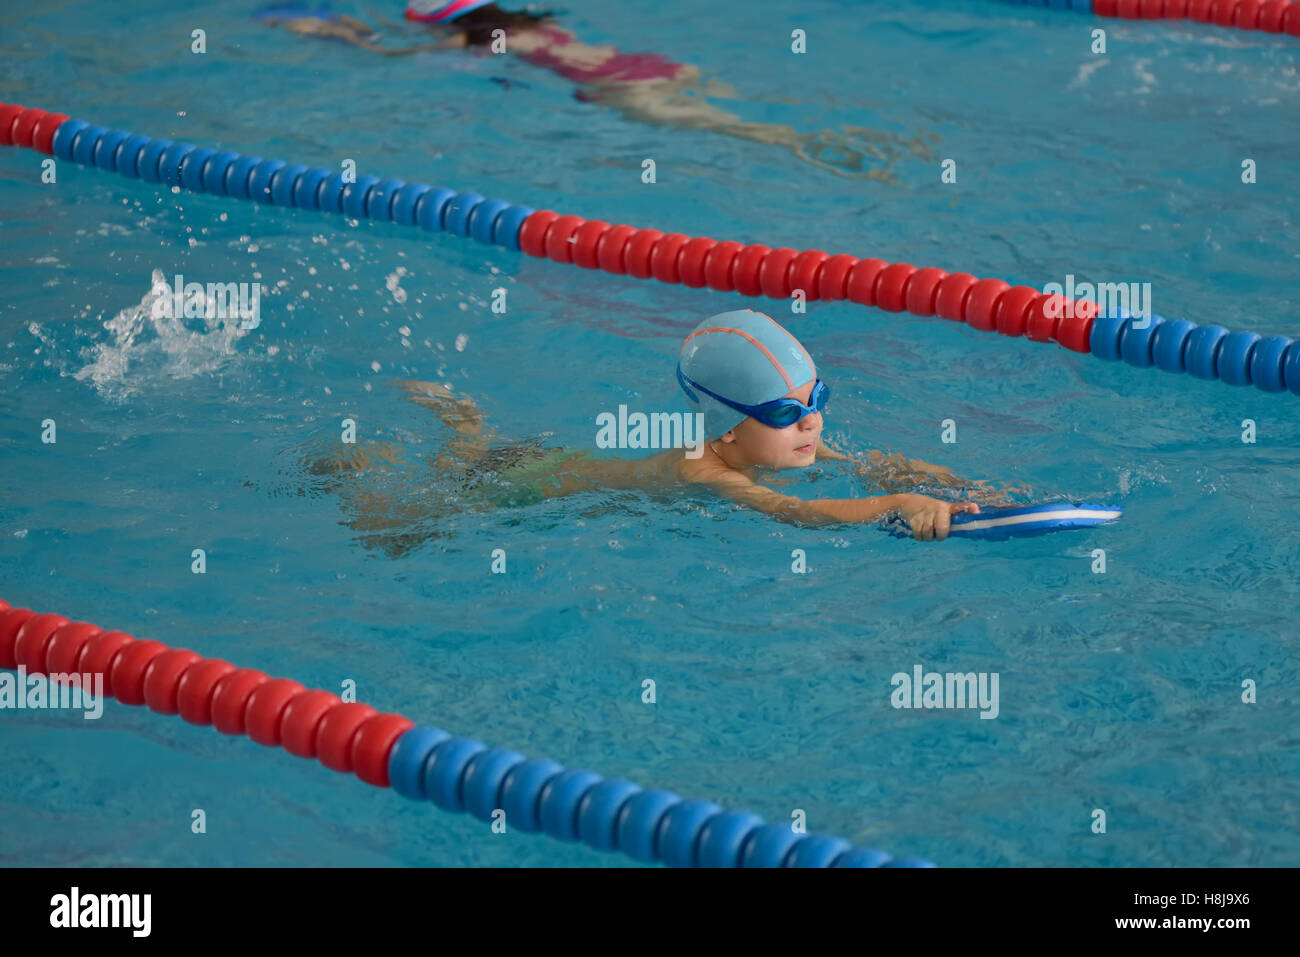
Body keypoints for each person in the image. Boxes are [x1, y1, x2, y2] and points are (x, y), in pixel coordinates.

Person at [294, 309, 1022, 551]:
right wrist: (898, 509)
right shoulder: (703, 469)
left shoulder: (786, 439)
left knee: (470, 456)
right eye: (783, 412)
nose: (810, 423)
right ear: (726, 426)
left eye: (816, 399)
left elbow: (872, 461)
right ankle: (357, 463)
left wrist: (945, 485)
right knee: (389, 533)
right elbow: (798, 512)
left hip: (549, 459)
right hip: (518, 490)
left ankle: (467, 427)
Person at [256, 2, 935, 178]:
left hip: (621, 92)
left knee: (756, 133)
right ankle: (883, 127)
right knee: (771, 107)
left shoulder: (472, 41)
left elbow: (393, 54)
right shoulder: (538, 22)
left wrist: (334, 32)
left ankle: (832, 152)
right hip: (654, 64)